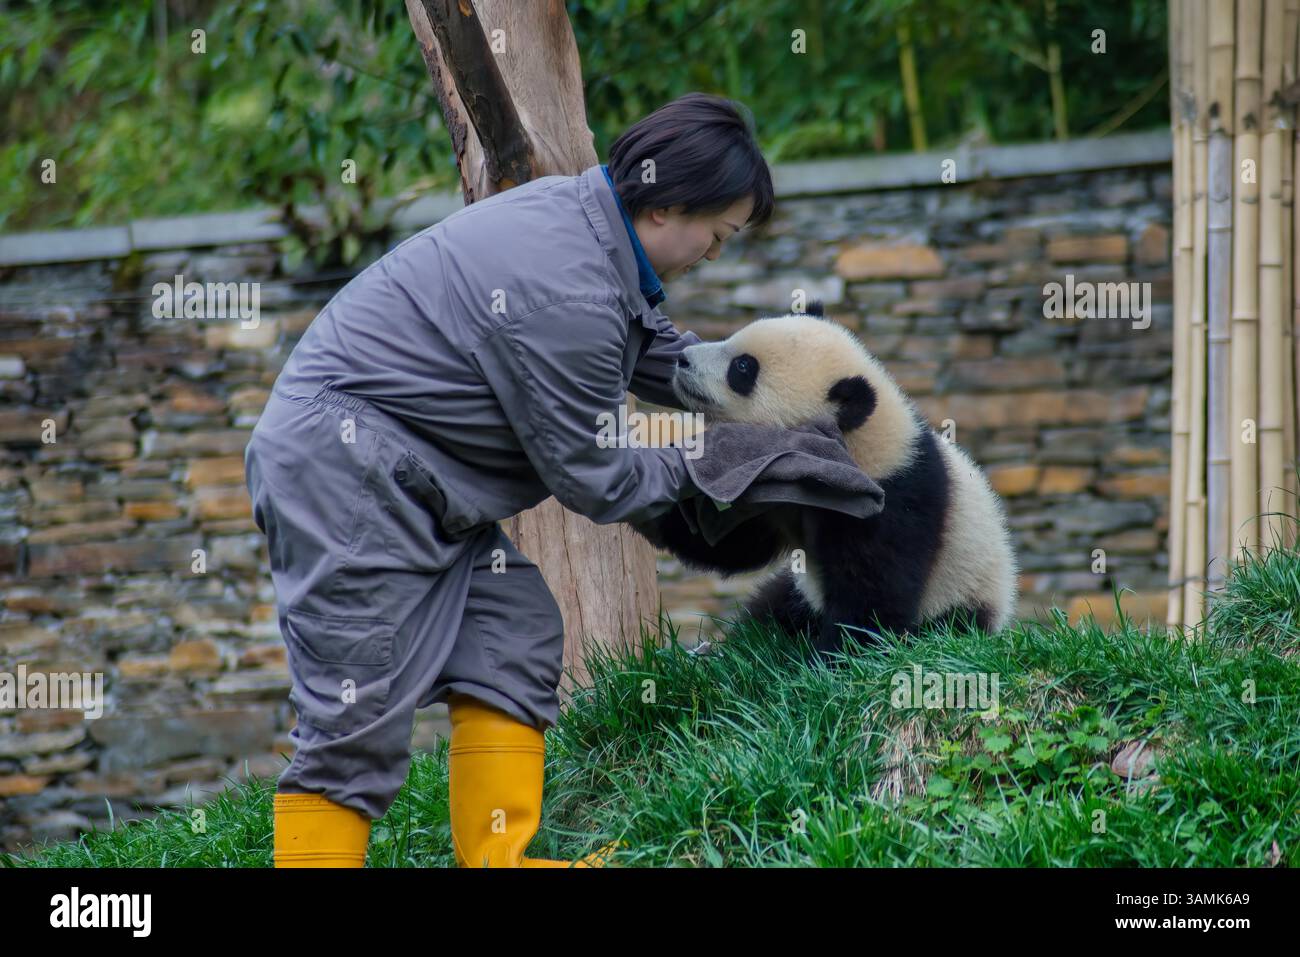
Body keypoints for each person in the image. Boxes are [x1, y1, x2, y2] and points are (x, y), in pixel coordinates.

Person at [244, 92, 852, 868]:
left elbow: (654, 352)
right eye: (720, 236)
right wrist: (721, 465)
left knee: (509, 631)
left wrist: (768, 402)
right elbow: (595, 475)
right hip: (348, 476)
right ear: (669, 206)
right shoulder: (568, 288)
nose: (714, 253)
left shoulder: (588, 231)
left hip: (417, 482)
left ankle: (501, 860)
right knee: (353, 714)